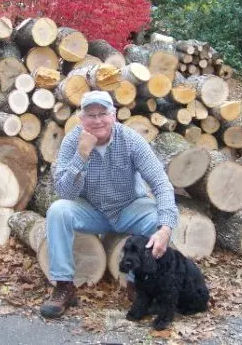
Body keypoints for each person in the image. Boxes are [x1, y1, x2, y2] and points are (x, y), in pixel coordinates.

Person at [40, 90, 179, 319]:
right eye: (90, 115)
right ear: (81, 119)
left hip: (129, 208)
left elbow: (161, 183)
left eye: (102, 113)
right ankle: (64, 285)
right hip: (91, 210)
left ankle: (138, 284)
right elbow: (64, 192)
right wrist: (81, 155)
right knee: (58, 211)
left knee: (158, 220)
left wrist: (165, 228)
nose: (97, 120)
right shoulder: (72, 141)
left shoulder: (131, 140)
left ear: (113, 115)